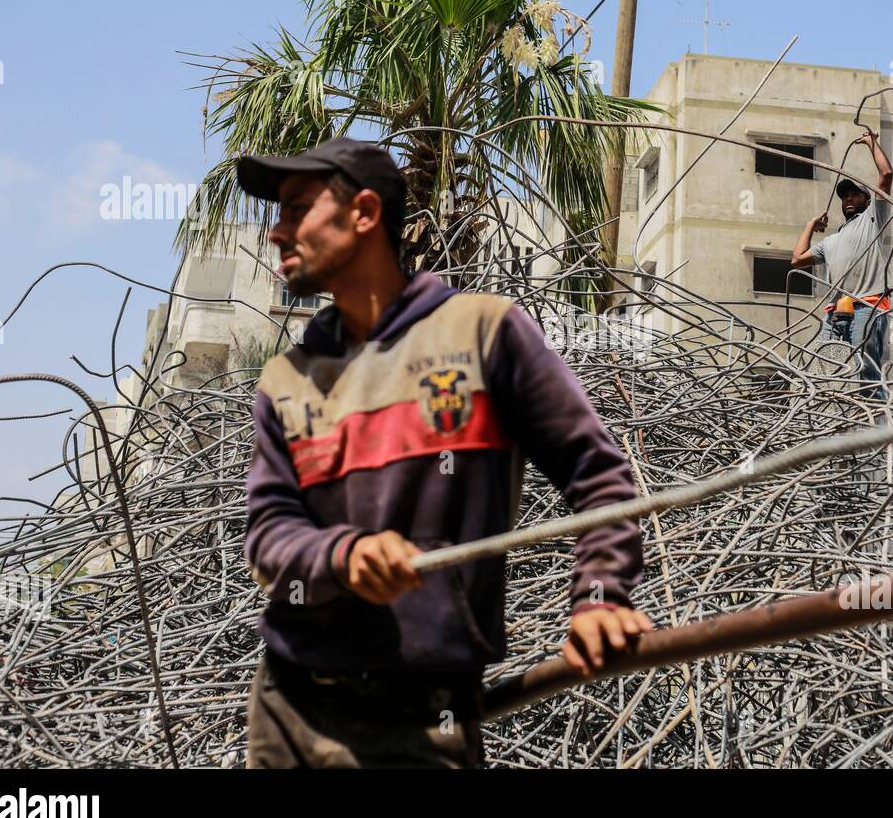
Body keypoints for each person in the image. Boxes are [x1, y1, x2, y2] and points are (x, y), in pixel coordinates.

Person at [238, 137, 651, 768]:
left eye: (296, 208)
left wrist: (600, 597)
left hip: (424, 715)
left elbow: (595, 474)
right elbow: (269, 534)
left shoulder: (484, 331)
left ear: (365, 213)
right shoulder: (286, 378)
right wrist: (343, 556)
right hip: (287, 709)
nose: (276, 231)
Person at [790, 129, 893, 399]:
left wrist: (872, 143)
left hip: (868, 306)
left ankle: (874, 430)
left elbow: (886, 176)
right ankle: (838, 427)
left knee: (865, 374)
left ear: (866, 199)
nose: (848, 199)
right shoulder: (831, 241)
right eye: (844, 196)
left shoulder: (873, 219)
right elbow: (797, 259)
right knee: (828, 372)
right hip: (834, 314)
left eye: (854, 195)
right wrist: (810, 225)